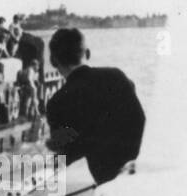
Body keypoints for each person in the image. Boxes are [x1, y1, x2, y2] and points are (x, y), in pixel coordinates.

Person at [44, 27, 145, 184]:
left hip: (110, 183)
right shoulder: (117, 76)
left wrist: (51, 145)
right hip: (143, 171)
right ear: (88, 54)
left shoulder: (56, 104)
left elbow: (66, 152)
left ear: (53, 61)